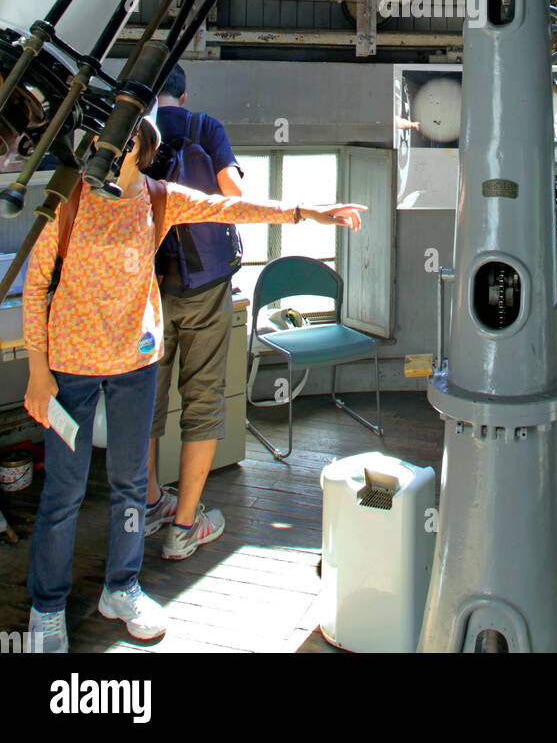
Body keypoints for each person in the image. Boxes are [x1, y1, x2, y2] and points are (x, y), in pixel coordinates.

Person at [23, 112, 365, 654]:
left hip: (134, 366)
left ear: (142, 147)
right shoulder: (69, 199)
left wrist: (308, 213)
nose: (103, 146)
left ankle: (122, 588)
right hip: (70, 369)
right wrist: (39, 373)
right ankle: (46, 608)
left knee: (132, 485)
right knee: (63, 494)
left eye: (117, 138)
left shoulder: (159, 200)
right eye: (96, 137)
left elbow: (233, 207)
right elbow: (37, 284)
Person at [144, 66, 245, 560]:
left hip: (147, 289)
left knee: (147, 398)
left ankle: (146, 506)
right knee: (203, 399)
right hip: (205, 284)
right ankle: (184, 527)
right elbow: (235, 196)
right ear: (184, 93)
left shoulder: (135, 136)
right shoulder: (206, 127)